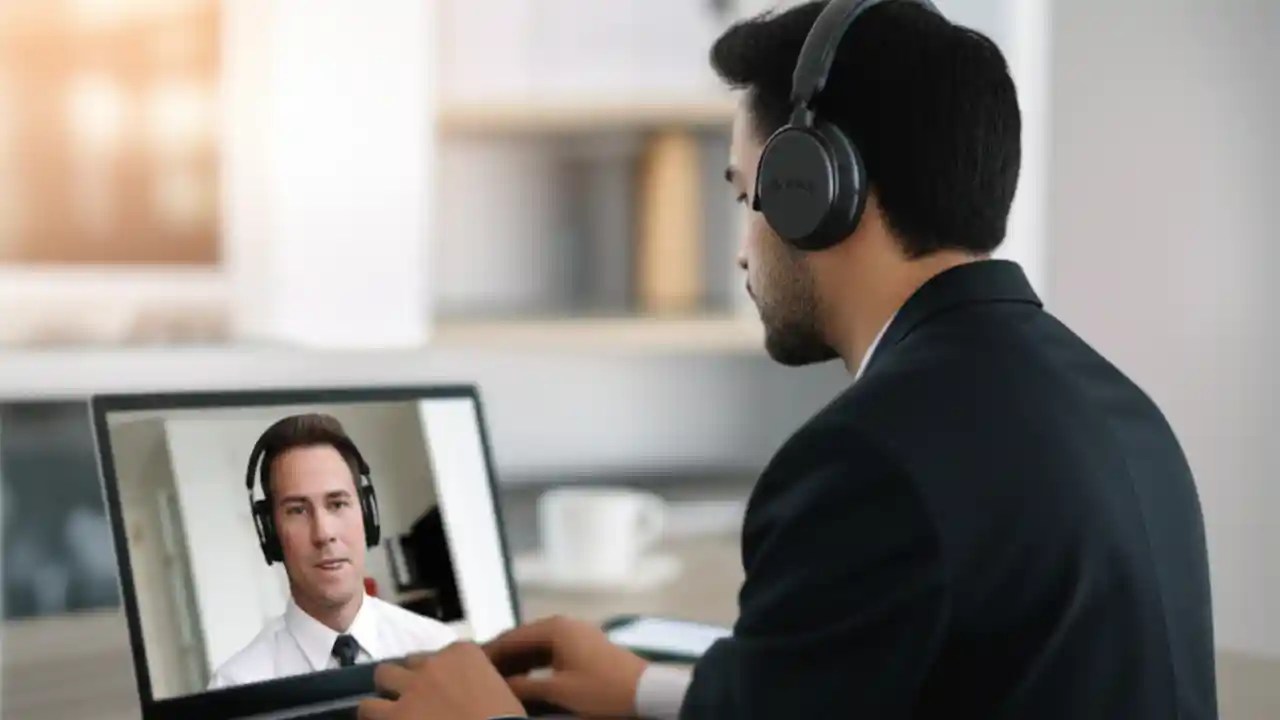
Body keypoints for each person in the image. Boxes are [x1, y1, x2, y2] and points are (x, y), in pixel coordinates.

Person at [356, 1, 1217, 718]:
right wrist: (648, 689)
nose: (741, 251)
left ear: (813, 192)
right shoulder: (1120, 410)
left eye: (746, 194)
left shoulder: (868, 461)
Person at [209, 414, 456, 689]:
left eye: (337, 504)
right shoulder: (235, 686)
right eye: (297, 510)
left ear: (367, 514)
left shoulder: (442, 652)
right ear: (271, 533)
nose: (324, 533)